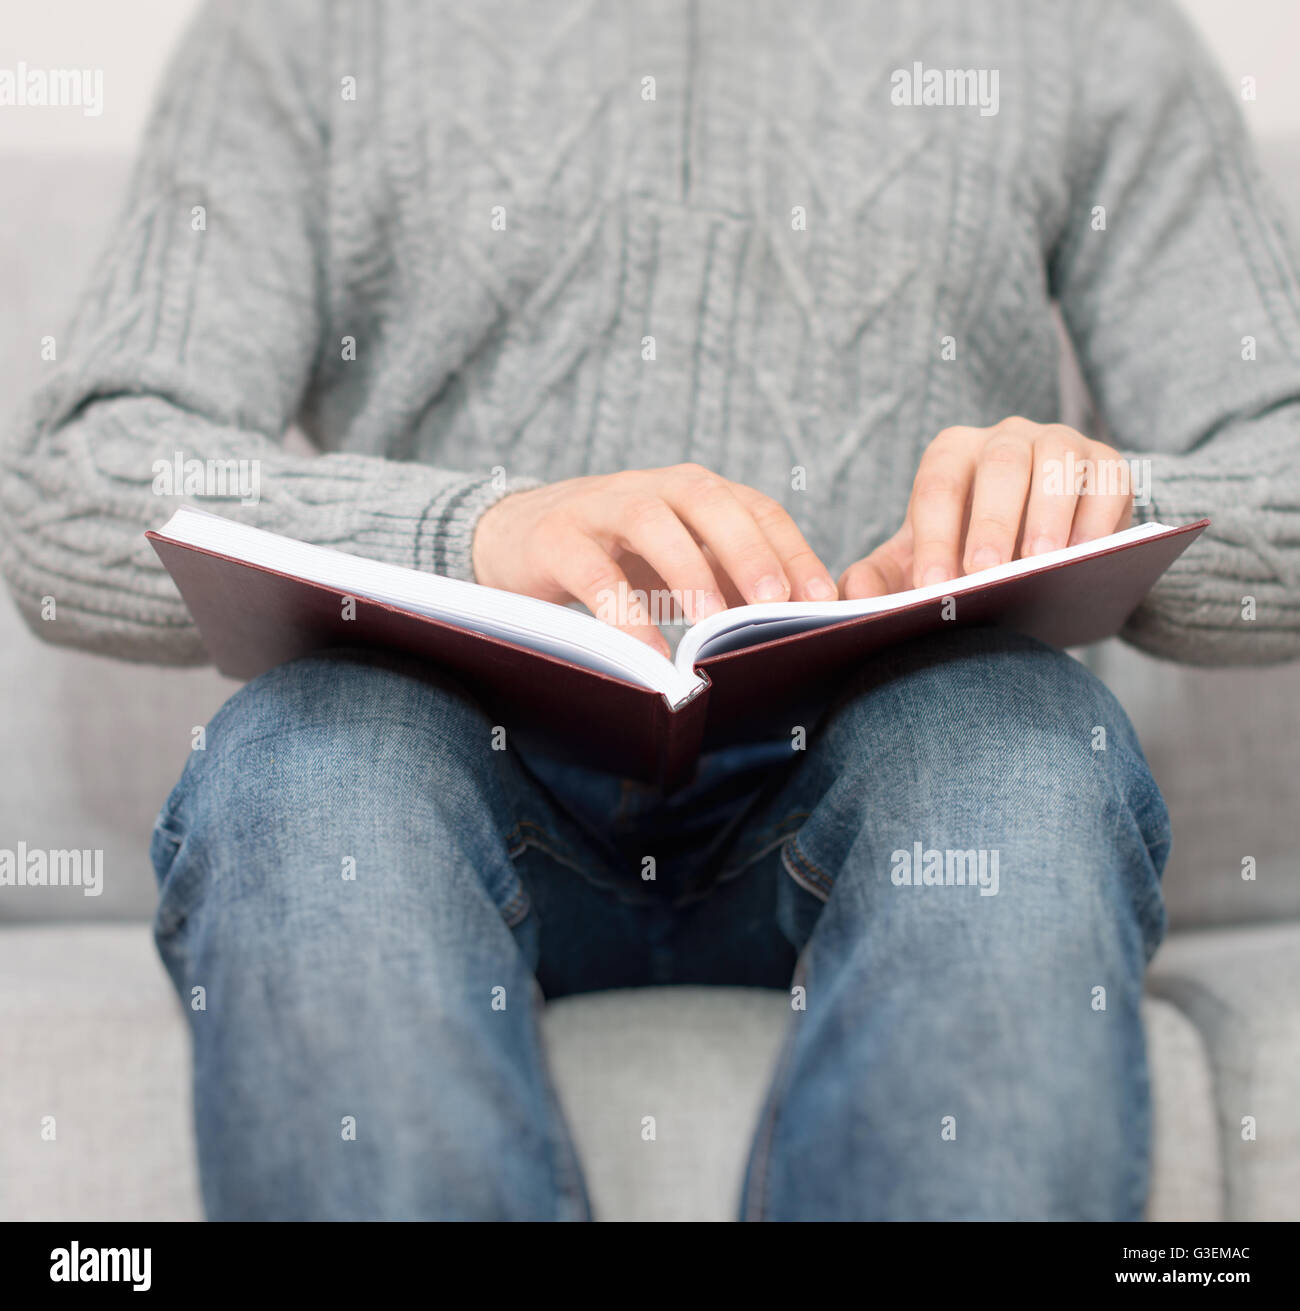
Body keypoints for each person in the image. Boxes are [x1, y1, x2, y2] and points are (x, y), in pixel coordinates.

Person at [2, 0, 1297, 1220]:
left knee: (1020, 752)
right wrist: (472, 535)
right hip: (448, 777)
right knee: (305, 764)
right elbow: (74, 488)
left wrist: (1106, 498)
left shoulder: (1080, 29)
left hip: (894, 765)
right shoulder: (313, 26)